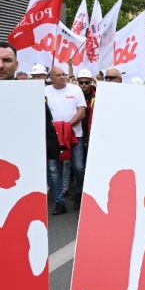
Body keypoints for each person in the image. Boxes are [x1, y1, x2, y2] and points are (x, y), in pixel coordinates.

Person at [45, 67, 88, 215]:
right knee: (54, 169)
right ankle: (60, 202)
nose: (63, 77)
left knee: (78, 167)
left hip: (74, 136)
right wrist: (56, 129)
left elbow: (82, 112)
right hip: (52, 138)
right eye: (58, 75)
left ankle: (79, 193)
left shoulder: (75, 90)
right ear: (51, 77)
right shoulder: (45, 92)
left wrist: (67, 127)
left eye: (64, 74)